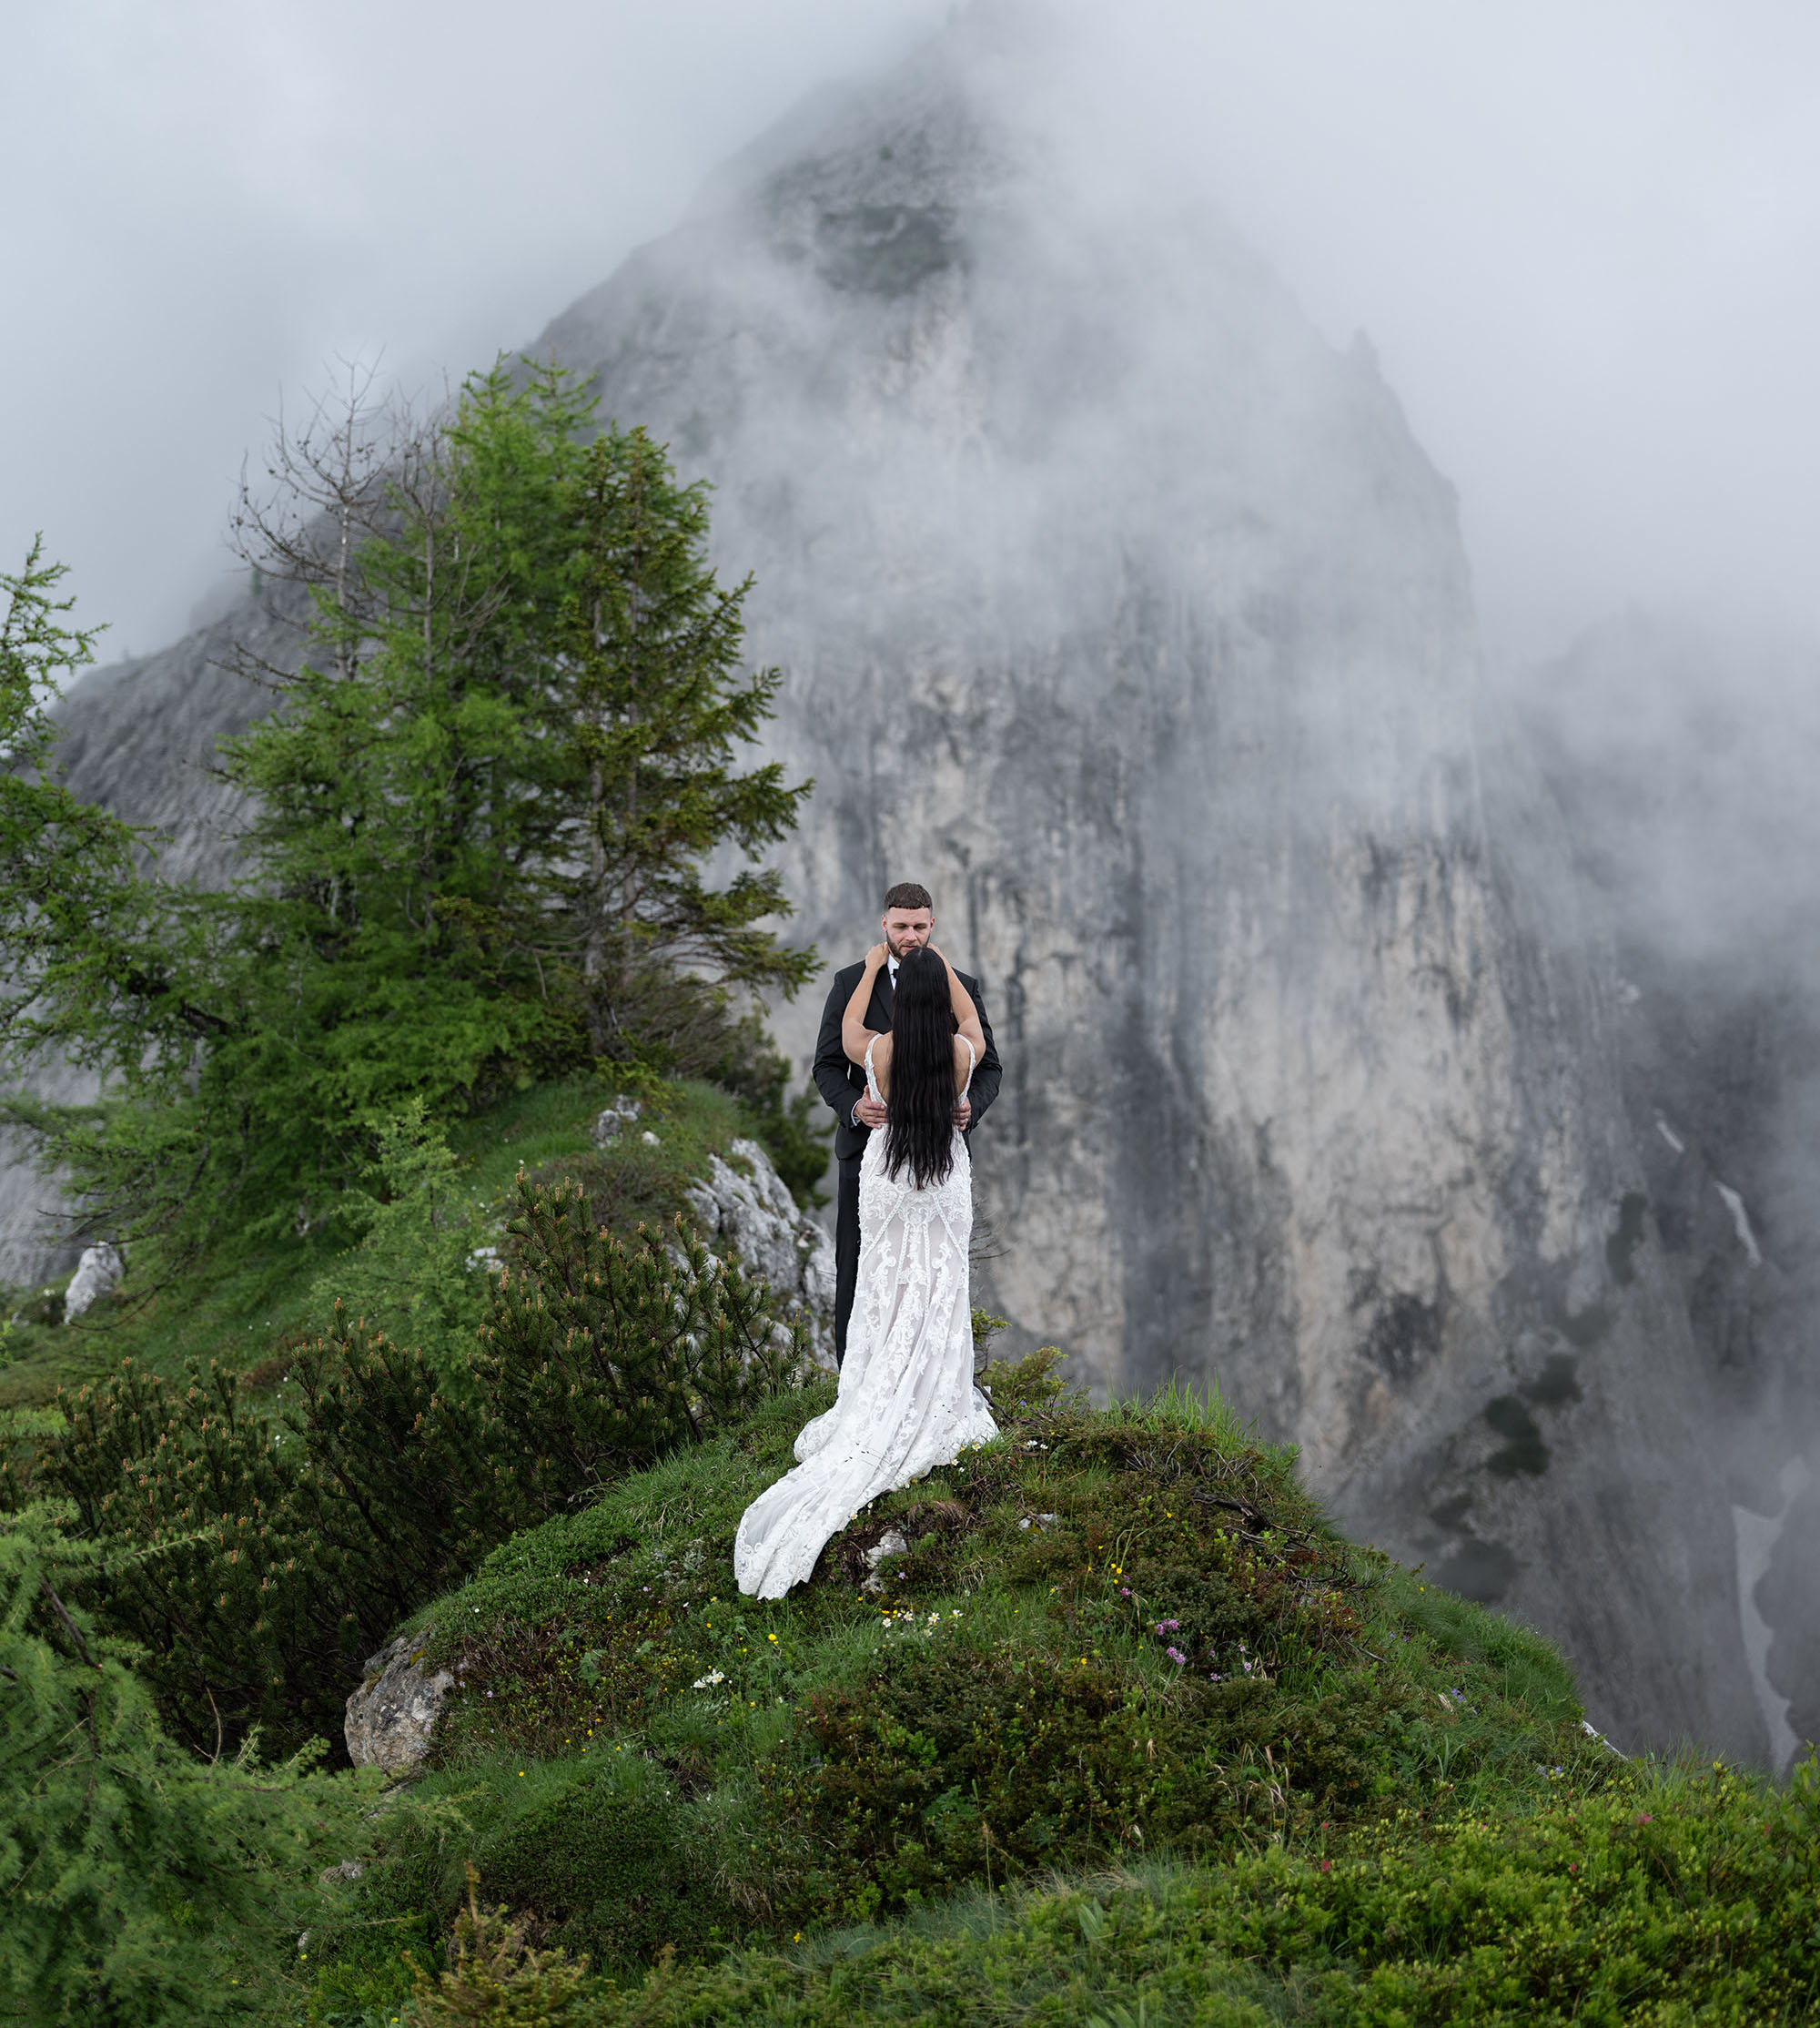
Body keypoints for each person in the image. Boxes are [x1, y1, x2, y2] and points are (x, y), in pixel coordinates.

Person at [733, 939, 999, 1598]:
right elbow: (972, 1029)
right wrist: (940, 974)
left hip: (887, 1176)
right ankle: (932, 1387)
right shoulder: (962, 1055)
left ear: (903, 1000)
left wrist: (877, 968)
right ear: (942, 1001)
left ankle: (876, 1383)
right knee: (940, 1283)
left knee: (883, 1284)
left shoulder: (878, 1050)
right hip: (941, 1178)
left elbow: (849, 1032)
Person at [811, 882, 1002, 1364]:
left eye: (920, 926)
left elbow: (992, 1068)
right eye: (901, 926)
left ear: (932, 924)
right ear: (884, 924)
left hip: (938, 1151)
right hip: (868, 1153)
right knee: (858, 1267)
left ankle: (919, 1377)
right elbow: (827, 1065)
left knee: (935, 1275)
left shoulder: (961, 984)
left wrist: (969, 1109)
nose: (911, 936)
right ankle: (851, 1375)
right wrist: (854, 1107)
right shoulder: (850, 981)